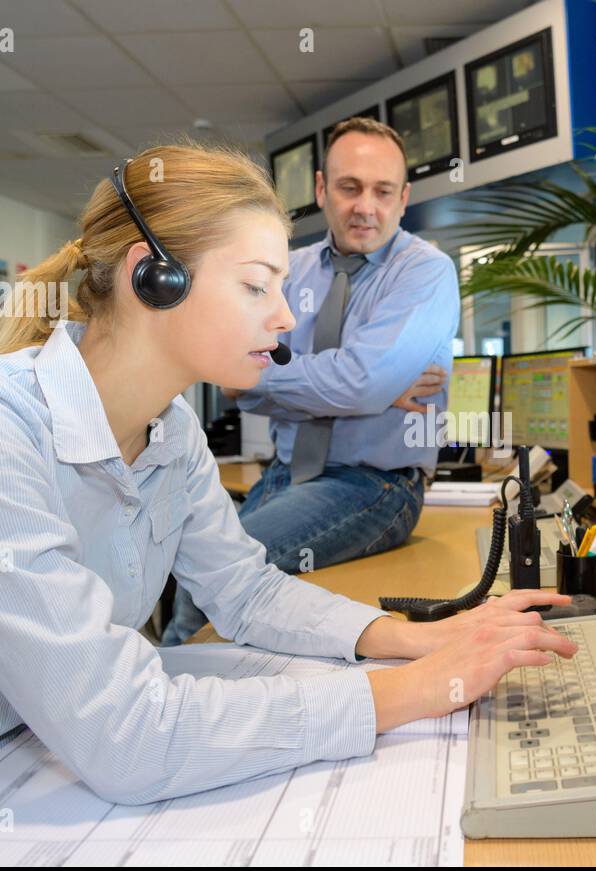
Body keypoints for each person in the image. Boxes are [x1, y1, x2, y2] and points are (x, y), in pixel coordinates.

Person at [0, 142, 574, 867]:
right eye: (255, 285)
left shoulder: (169, 429)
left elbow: (243, 591)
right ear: (154, 278)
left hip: (43, 766)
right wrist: (407, 692)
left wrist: (412, 641)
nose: (283, 319)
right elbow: (123, 732)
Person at [161, 117, 458, 646]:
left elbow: (353, 382)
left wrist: (274, 377)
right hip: (283, 474)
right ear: (322, 187)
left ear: (404, 197)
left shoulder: (425, 272)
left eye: (383, 191)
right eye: (349, 187)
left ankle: (163, 690)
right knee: (191, 568)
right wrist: (363, 386)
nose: (365, 206)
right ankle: (167, 688)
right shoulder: (288, 267)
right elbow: (235, 375)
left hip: (372, 485)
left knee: (213, 581)